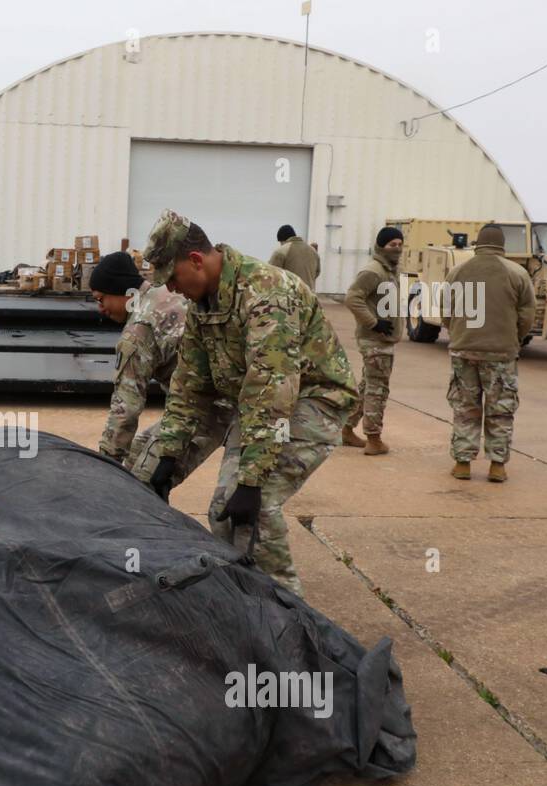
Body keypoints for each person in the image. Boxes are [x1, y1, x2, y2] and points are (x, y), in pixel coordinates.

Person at [143, 209, 358, 597]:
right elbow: (190, 385)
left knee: (249, 509)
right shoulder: (202, 305)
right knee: (223, 512)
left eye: (172, 278)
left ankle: (287, 614)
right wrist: (169, 456)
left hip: (313, 399)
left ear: (195, 260)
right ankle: (245, 602)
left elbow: (271, 387)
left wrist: (253, 478)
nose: (171, 289)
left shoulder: (267, 293)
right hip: (258, 404)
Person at [91, 251, 233, 484]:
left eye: (100, 299)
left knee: (144, 484)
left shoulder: (138, 331)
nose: (100, 309)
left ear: (124, 292)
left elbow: (125, 408)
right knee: (136, 456)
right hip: (208, 398)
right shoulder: (166, 292)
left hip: (211, 408)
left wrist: (106, 463)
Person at [440, 224, 534, 482]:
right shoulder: (518, 273)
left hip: (464, 350)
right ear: (503, 245)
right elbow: (527, 315)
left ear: (477, 244)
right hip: (501, 354)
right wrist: (514, 339)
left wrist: (458, 334)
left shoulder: (457, 272)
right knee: (500, 409)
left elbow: (445, 311)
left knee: (465, 408)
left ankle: (462, 463)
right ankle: (497, 466)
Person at [342, 226, 405, 455]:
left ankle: (347, 429)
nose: (396, 248)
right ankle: (374, 439)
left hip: (384, 341)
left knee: (367, 386)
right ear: (381, 246)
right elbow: (352, 298)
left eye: (399, 244)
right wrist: (373, 322)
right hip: (375, 341)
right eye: (392, 245)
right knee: (377, 390)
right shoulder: (374, 271)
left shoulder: (391, 270)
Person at [268, 224, 320, 290]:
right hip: (309, 296)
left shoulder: (281, 251)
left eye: (280, 242)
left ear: (282, 240)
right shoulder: (313, 251)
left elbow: (271, 273)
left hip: (291, 297)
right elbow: (317, 272)